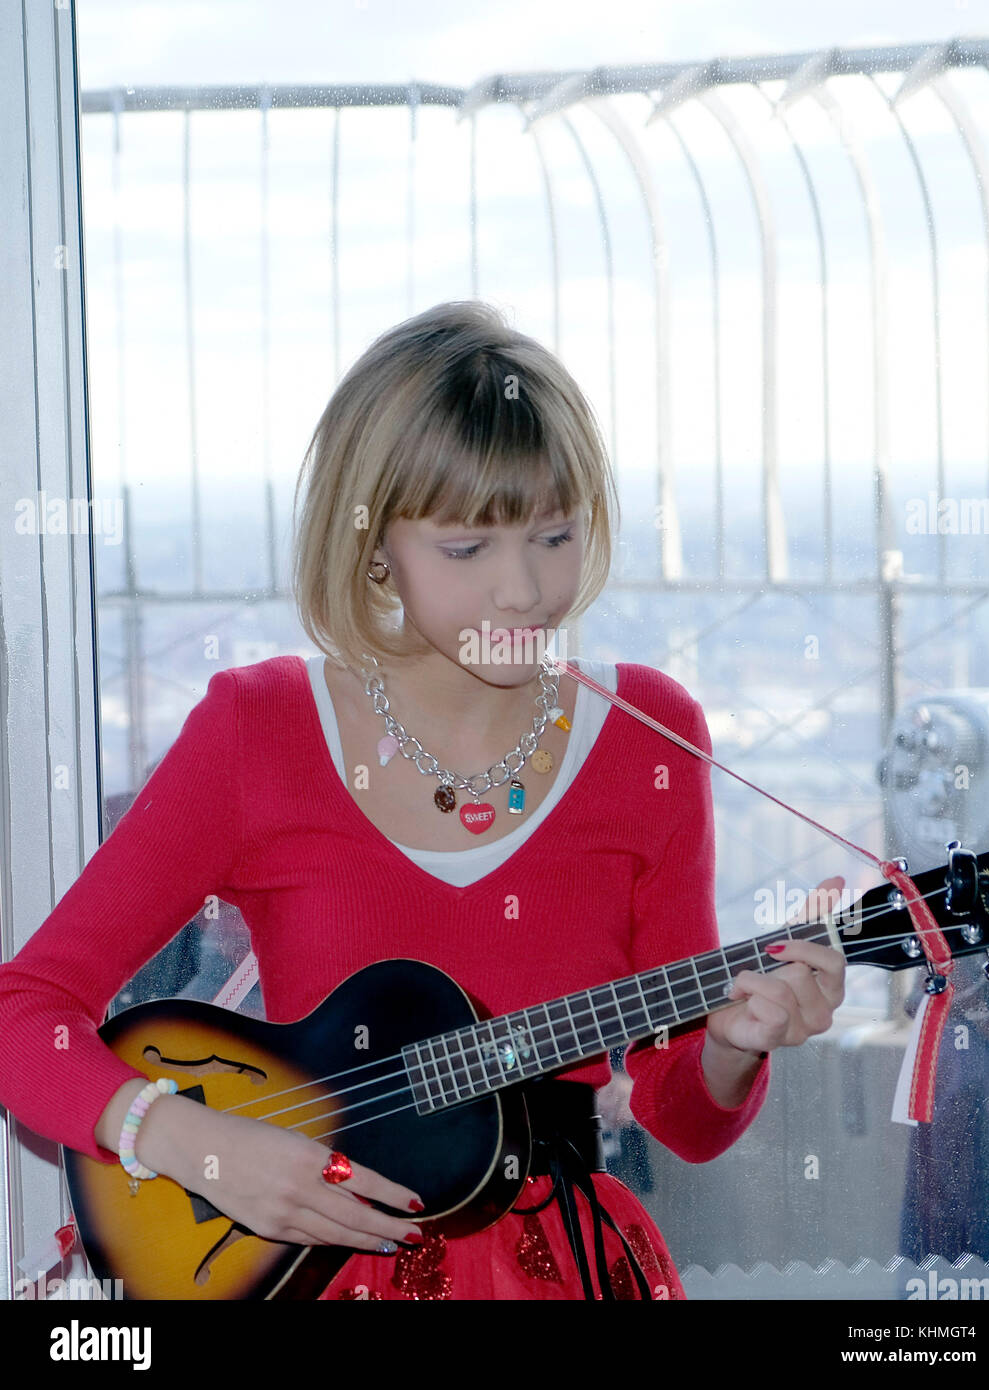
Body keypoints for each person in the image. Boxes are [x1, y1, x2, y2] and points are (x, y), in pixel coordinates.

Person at [0, 299, 846, 1300]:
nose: (523, 590)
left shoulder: (650, 736)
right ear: (374, 545)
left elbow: (684, 1119)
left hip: (569, 1274)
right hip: (322, 1275)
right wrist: (194, 1144)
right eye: (466, 549)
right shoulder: (257, 729)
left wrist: (735, 1048)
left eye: (555, 535)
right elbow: (25, 1014)